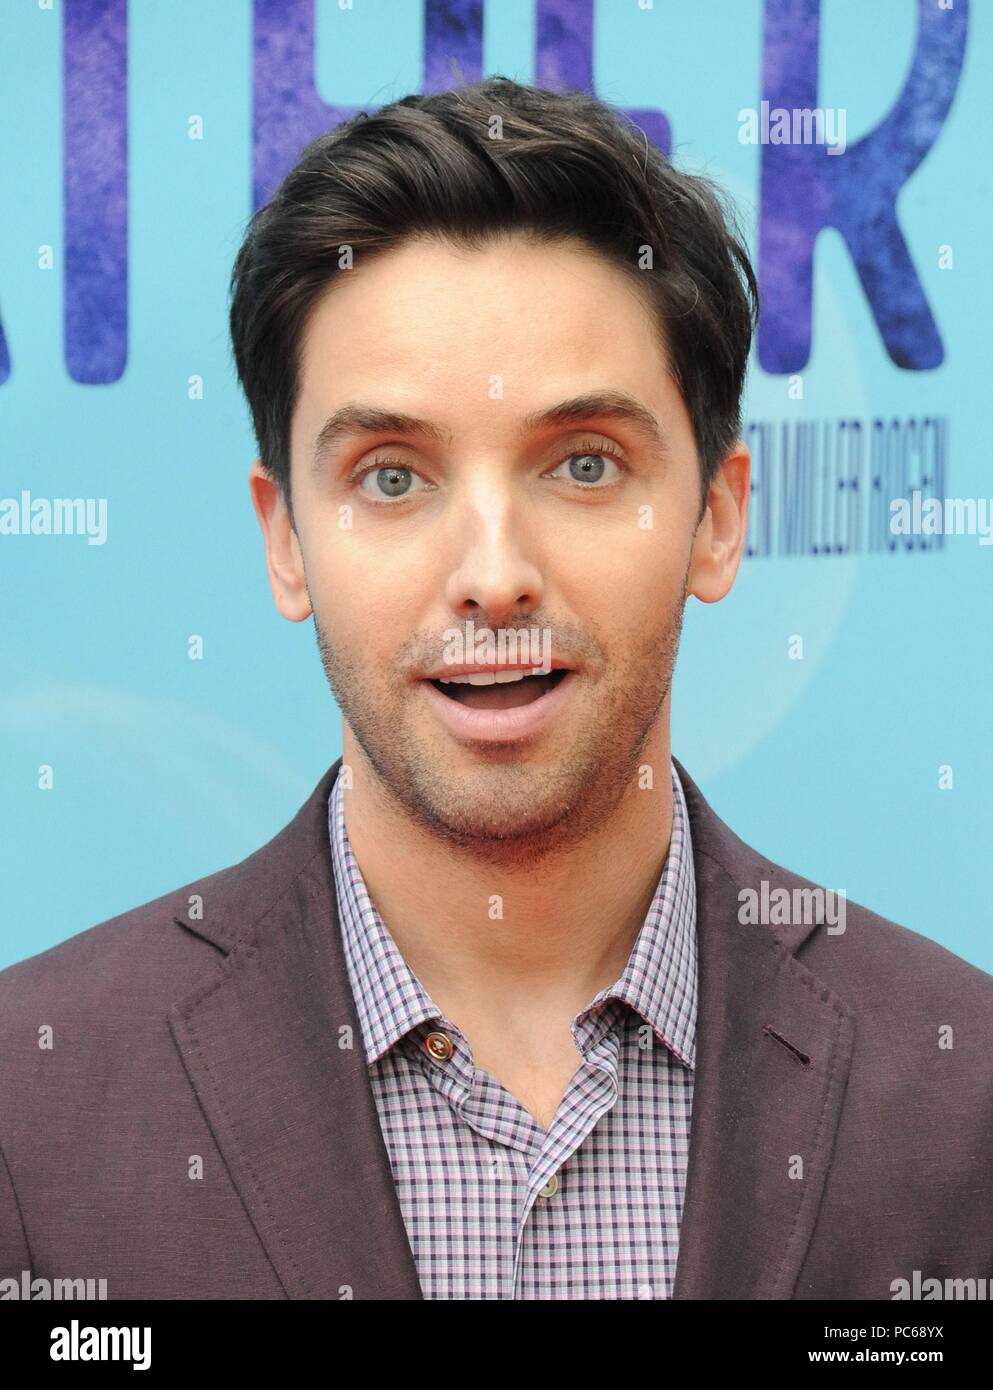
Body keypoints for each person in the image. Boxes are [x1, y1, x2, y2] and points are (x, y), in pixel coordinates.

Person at [2, 77, 991, 1303]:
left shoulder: (965, 1094)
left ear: (720, 516)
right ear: (287, 541)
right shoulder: (29, 1107)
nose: (493, 577)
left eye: (583, 463)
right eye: (392, 476)